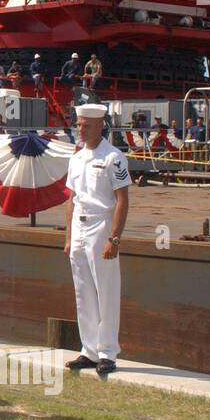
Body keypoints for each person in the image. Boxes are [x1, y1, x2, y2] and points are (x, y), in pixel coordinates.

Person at [64, 104, 131, 375]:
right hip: (79, 228)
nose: (81, 129)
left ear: (100, 125)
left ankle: (107, 352)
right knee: (83, 292)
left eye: (86, 125)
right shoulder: (76, 158)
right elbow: (71, 199)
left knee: (106, 291)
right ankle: (88, 350)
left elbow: (122, 200)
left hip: (101, 226)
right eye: (79, 125)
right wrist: (68, 235)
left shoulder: (114, 157)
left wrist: (114, 239)